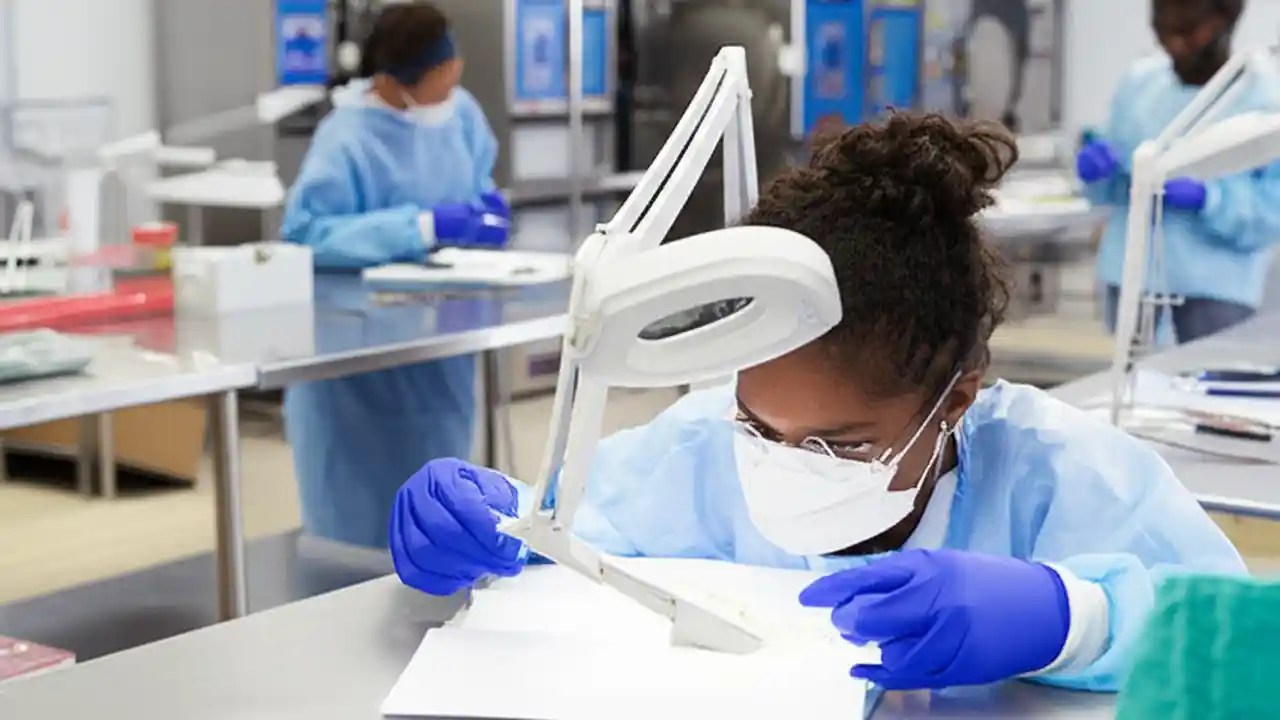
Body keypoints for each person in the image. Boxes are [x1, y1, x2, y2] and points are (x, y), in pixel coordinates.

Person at [388, 113, 1244, 692]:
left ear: (957, 398)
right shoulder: (693, 452)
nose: (780, 463)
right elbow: (572, 544)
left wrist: (1074, 620)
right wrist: (486, 529)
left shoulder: (1062, 474)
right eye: (758, 426)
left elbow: (1238, 643)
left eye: (840, 446)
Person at [281, 2, 507, 548]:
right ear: (398, 79)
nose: (452, 88)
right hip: (356, 355)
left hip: (440, 349)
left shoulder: (461, 113)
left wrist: (487, 212)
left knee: (438, 511)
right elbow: (307, 233)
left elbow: (479, 177)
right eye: (441, 77)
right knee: (359, 533)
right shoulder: (347, 136)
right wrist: (421, 224)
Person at [1078, 0, 1280, 344]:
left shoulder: (1263, 96)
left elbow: (1270, 212)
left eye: (1187, 32)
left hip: (1215, 289)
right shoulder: (1141, 84)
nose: (1174, 44)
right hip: (1130, 280)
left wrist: (1210, 200)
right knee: (1132, 388)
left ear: (1224, 20)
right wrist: (1097, 171)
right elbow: (1110, 184)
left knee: (1207, 388)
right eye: (1163, 31)